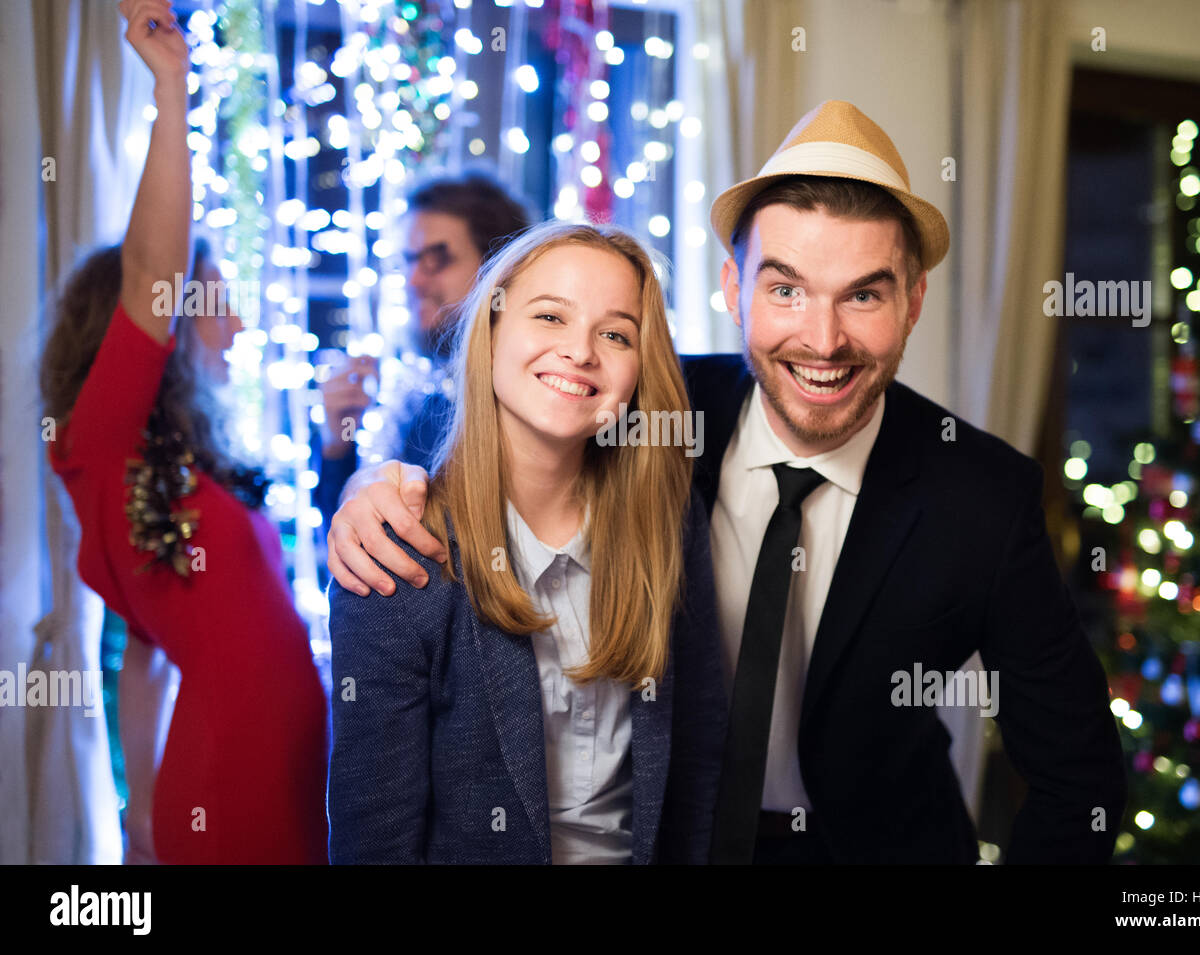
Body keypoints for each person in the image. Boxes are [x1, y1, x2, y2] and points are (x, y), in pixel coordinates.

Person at [326, 100, 1127, 864]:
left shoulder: (982, 495)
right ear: (732, 290)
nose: (823, 339)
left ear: (913, 301)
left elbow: (1077, 774)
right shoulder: (653, 412)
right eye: (785, 288)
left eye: (865, 294)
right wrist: (377, 483)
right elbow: (516, 433)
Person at [326, 221, 726, 864]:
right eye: (550, 317)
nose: (581, 352)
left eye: (616, 333)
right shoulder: (398, 550)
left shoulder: (672, 524)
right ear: (490, 332)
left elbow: (700, 762)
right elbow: (375, 836)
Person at [42, 0, 328, 864]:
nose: (235, 321)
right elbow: (152, 270)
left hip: (275, 770)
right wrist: (173, 89)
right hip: (233, 781)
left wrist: (138, 820)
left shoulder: (177, 464)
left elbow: (143, 660)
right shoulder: (103, 438)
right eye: (211, 298)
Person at [313, 174, 532, 532]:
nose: (413, 281)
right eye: (409, 262)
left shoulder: (521, 398)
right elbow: (351, 547)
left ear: (500, 270)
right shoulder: (419, 391)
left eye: (437, 260)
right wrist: (339, 442)